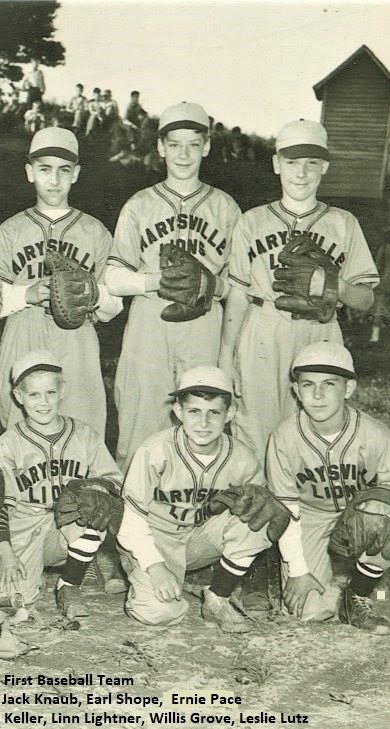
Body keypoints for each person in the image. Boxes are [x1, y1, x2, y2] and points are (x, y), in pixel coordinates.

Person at [218, 119, 378, 460]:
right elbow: (237, 296)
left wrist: (332, 284)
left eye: (311, 164)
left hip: (319, 332)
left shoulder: (344, 223)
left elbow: (366, 298)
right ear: (277, 165)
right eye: (292, 163)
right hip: (262, 328)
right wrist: (225, 356)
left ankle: (311, 510)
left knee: (318, 434)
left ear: (325, 167)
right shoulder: (252, 221)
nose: (301, 173)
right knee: (255, 434)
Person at [107, 103, 241, 466]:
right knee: (139, 414)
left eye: (193, 144)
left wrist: (215, 287)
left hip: (204, 320)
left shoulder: (226, 208)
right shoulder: (139, 205)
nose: (184, 154)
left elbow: (239, 284)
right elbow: (113, 278)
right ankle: (132, 507)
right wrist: (155, 281)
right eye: (175, 144)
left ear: (207, 147)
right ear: (161, 147)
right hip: (150, 318)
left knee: (203, 416)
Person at [266, 342, 390, 633]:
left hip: (358, 513)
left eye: (329, 384)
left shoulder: (373, 433)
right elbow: (287, 508)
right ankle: (348, 586)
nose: (317, 395)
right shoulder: (283, 437)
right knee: (310, 612)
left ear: (348, 389)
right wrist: (297, 571)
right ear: (296, 390)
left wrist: (376, 506)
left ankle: (355, 593)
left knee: (386, 509)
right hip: (309, 518)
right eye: (308, 384)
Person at [116, 367, 272, 633]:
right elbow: (130, 524)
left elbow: (259, 515)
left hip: (201, 538)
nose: (203, 423)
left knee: (258, 514)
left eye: (214, 413)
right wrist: (156, 568)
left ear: (229, 414)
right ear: (178, 412)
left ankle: (218, 595)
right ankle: (165, 587)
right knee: (156, 613)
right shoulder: (154, 451)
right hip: (155, 540)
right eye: (194, 411)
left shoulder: (243, 458)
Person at [0, 126, 122, 438]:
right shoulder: (11, 230)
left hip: (77, 337)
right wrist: (27, 293)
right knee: (20, 430)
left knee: (82, 423)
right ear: (29, 172)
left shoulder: (95, 231)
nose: (54, 179)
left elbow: (114, 306)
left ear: (75, 174)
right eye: (44, 169)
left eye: (64, 170)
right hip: (24, 329)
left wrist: (93, 295)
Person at [0, 352, 124, 623]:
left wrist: (92, 490)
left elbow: (115, 482)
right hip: (22, 530)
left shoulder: (84, 435)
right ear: (18, 396)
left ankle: (70, 583)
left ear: (63, 391)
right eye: (34, 395)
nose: (44, 402)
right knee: (16, 603)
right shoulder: (7, 444)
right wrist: (5, 553)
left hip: (68, 527)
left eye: (50, 392)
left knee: (93, 507)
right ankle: (71, 563)